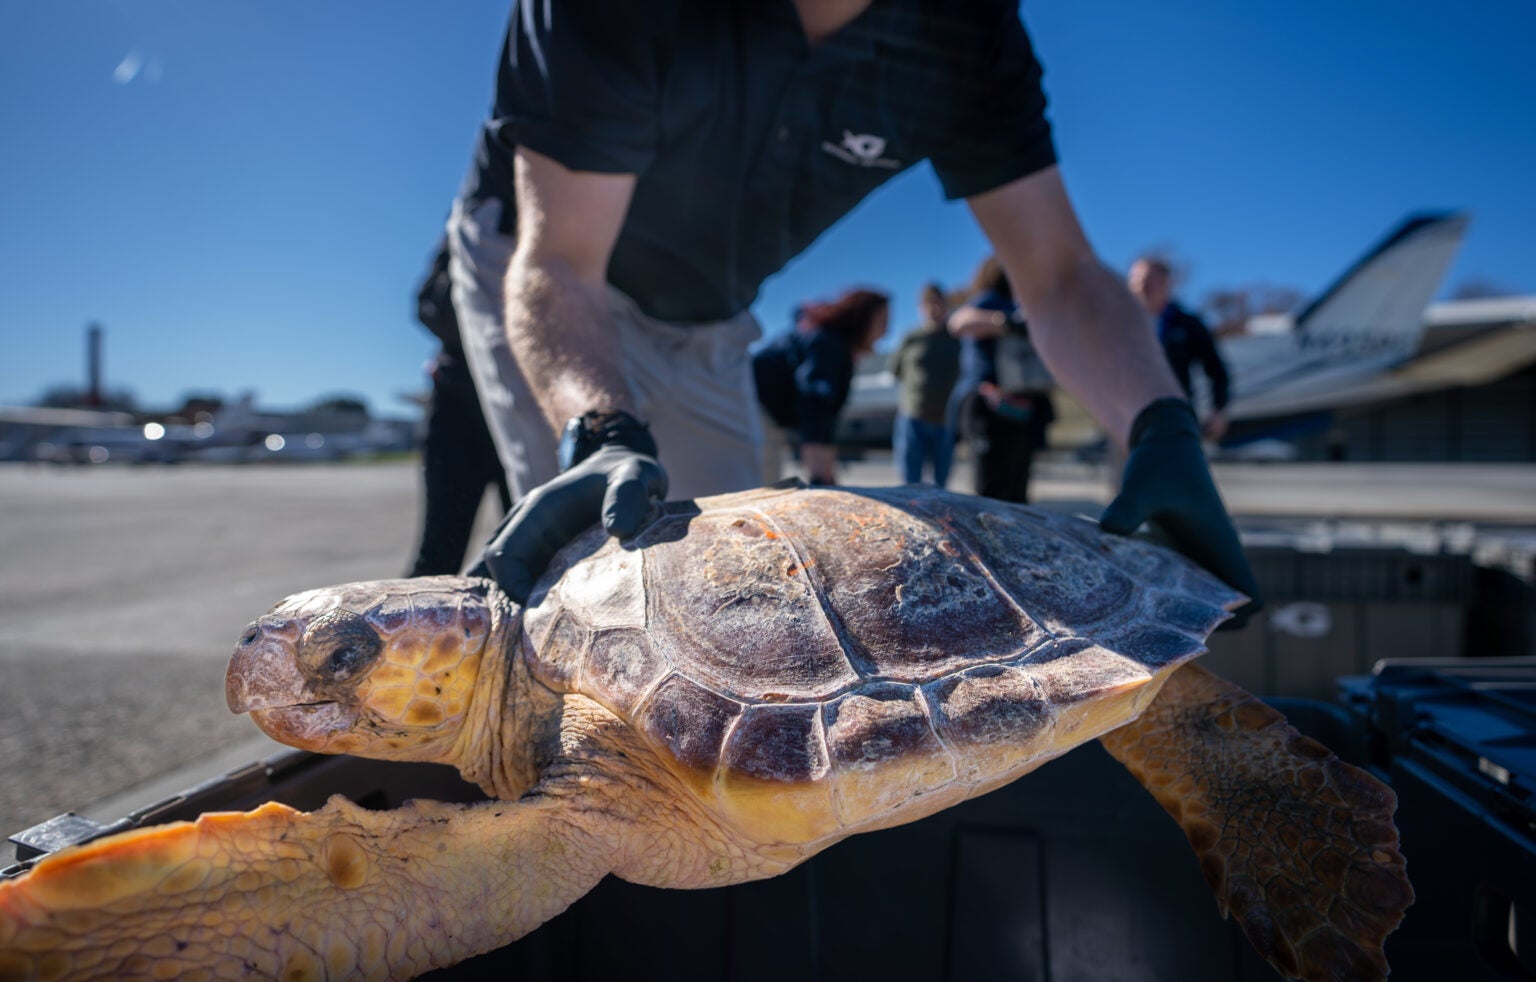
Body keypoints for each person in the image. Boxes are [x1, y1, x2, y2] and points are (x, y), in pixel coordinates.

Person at [454, 1, 1262, 627]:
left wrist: (1162, 428)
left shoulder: (965, 33)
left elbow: (1056, 272)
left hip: (711, 310)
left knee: (722, 589)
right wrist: (600, 431)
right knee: (598, 575)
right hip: (546, 262)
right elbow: (561, 261)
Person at [406, 240, 512, 576]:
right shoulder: (468, 228)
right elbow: (429, 307)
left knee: (535, 554)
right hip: (457, 408)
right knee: (438, 556)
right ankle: (418, 628)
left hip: (525, 411)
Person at [753, 289, 890, 485]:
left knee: (767, 479)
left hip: (764, 411)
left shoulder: (835, 346)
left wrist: (827, 468)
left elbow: (825, 419)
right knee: (760, 485)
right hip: (753, 404)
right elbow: (815, 401)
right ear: (862, 319)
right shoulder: (828, 344)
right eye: (882, 321)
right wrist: (821, 475)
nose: (886, 331)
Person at [947, 257, 1056, 503]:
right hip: (990, 402)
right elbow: (958, 322)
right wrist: (1006, 323)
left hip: (1020, 407)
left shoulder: (1023, 306)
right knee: (992, 487)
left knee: (1017, 487)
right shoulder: (991, 301)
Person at [1128, 257, 1233, 441]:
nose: (1141, 288)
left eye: (1148, 281)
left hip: (1174, 414)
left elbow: (1215, 369)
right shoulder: (1121, 325)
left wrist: (1218, 409)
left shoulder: (1187, 324)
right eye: (1136, 282)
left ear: (1166, 283)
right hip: (1128, 416)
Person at [890, 282, 961, 486]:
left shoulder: (955, 339)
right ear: (921, 308)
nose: (935, 310)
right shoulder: (912, 338)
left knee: (941, 482)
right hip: (913, 417)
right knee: (910, 482)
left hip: (944, 420)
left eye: (939, 304)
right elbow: (896, 370)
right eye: (930, 304)